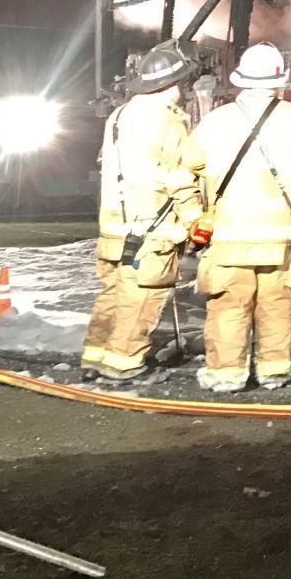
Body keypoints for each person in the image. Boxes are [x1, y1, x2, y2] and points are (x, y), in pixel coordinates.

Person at [183, 42, 291, 392]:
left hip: (226, 240)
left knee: (228, 307)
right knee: (277, 305)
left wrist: (194, 218)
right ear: (278, 80)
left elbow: (182, 175)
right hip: (281, 241)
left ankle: (226, 375)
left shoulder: (214, 122)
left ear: (240, 80)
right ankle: (274, 371)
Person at [81, 42, 199, 381]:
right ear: (169, 85)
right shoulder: (167, 120)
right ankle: (123, 363)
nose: (182, 89)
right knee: (142, 296)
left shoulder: (120, 115)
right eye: (180, 82)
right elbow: (177, 176)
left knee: (113, 294)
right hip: (150, 228)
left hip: (114, 227)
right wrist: (194, 221)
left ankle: (95, 355)